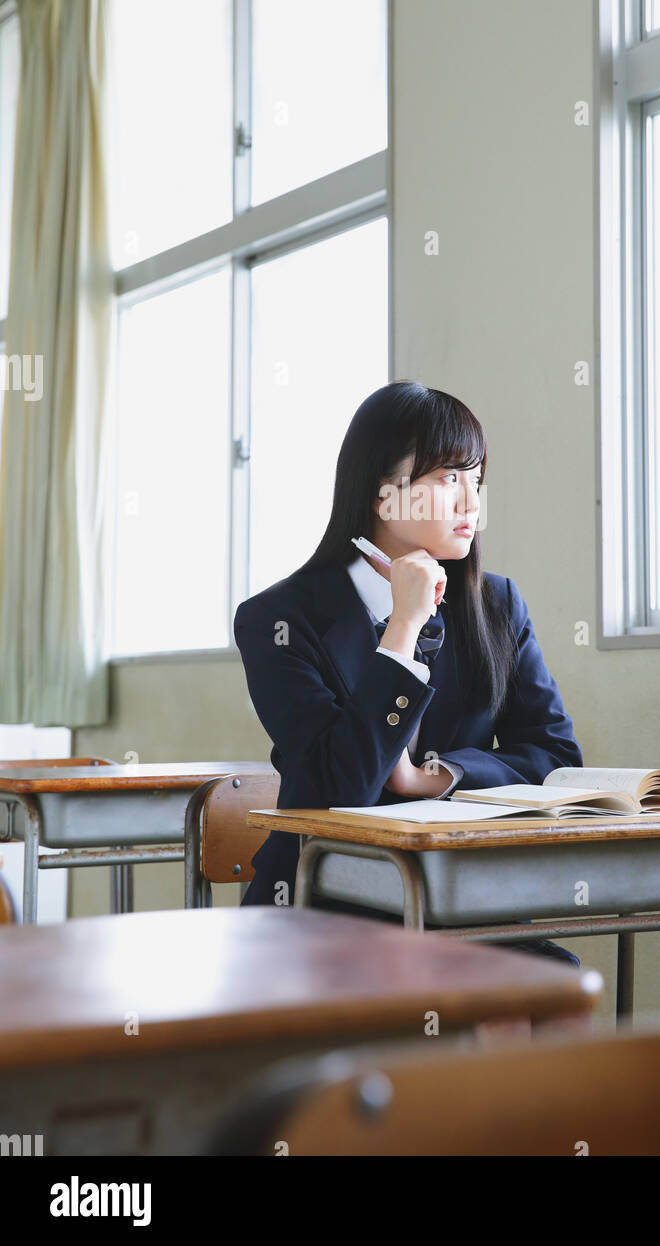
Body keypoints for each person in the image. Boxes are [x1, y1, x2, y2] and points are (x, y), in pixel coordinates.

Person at [233, 379, 584, 969]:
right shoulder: (278, 619)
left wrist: (440, 775)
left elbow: (555, 755)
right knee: (486, 1013)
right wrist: (404, 625)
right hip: (327, 905)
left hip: (465, 899)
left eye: (477, 481)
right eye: (449, 479)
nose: (471, 504)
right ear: (383, 495)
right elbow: (336, 791)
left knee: (556, 995)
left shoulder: (496, 605)